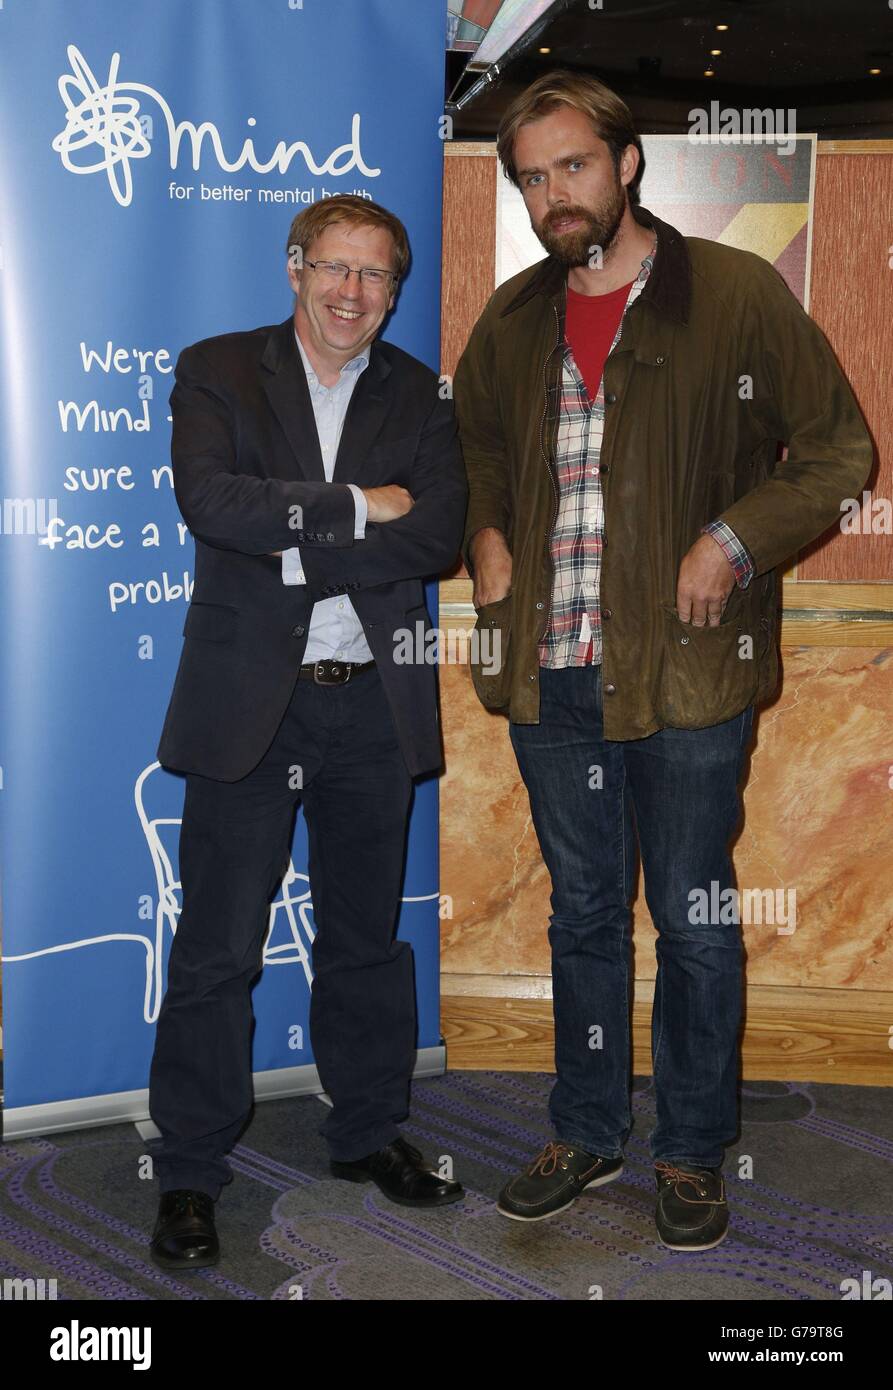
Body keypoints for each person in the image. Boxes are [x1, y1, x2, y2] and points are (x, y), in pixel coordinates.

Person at [453, 72, 873, 1249]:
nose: (552, 195)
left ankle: (689, 1149)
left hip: (687, 673)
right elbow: (477, 440)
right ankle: (587, 1128)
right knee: (582, 916)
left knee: (690, 920)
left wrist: (730, 541)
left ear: (626, 162)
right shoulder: (514, 313)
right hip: (551, 670)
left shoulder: (730, 293)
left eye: (571, 166)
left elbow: (839, 448)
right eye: (531, 177)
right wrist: (483, 533)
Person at [147, 195, 468, 1270]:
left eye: (376, 277)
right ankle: (190, 1168)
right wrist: (353, 504)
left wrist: (302, 538)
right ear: (294, 268)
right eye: (334, 268)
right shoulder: (219, 368)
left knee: (365, 942)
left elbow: (434, 531)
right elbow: (213, 504)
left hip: (370, 702)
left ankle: (367, 1131)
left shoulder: (419, 390)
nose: (353, 294)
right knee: (217, 949)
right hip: (254, 700)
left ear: (394, 288)